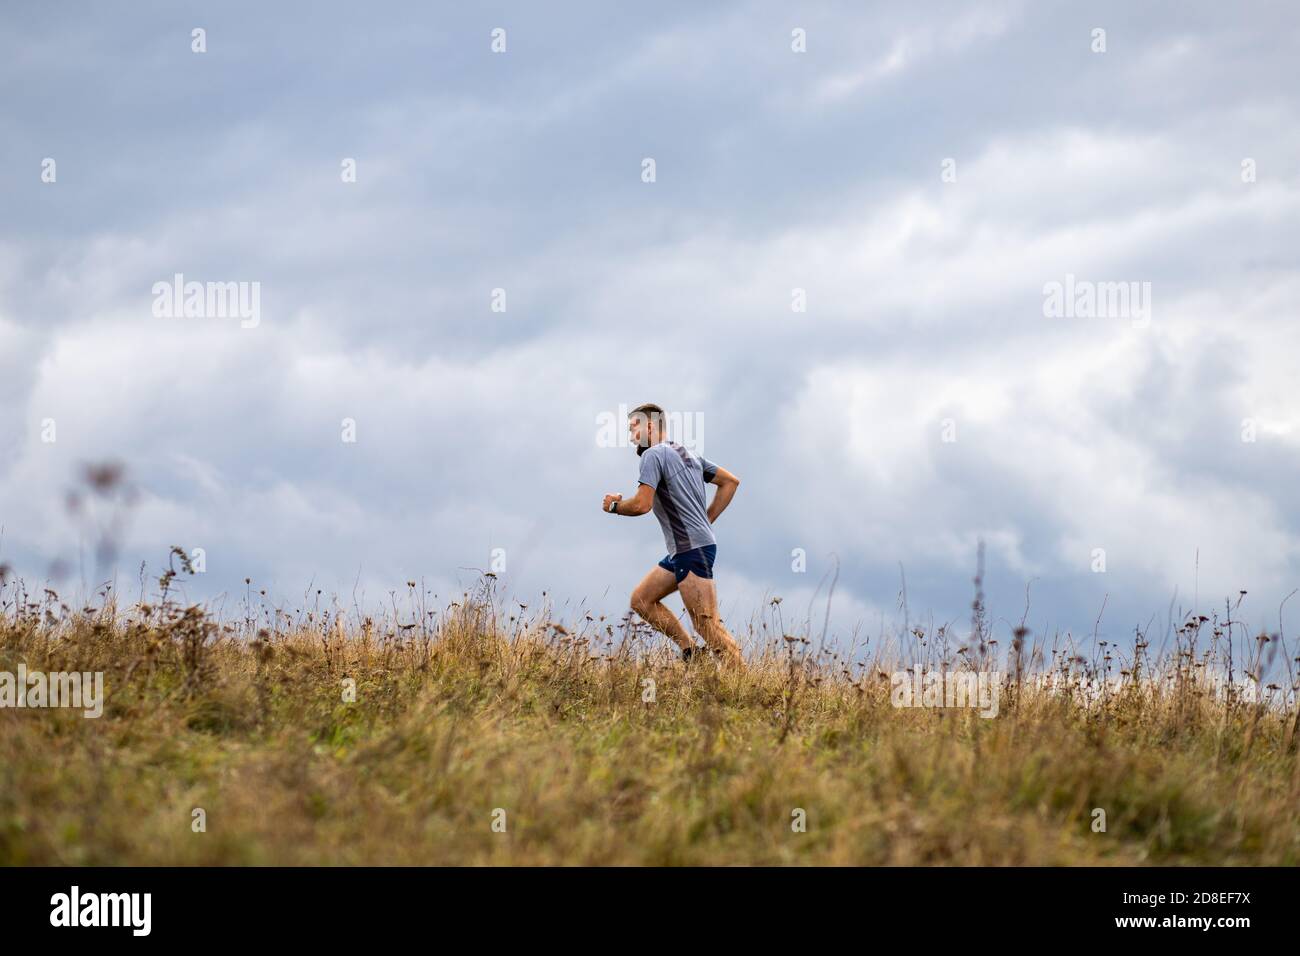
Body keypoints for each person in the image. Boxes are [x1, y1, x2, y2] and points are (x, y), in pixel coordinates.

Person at [602, 403, 743, 666]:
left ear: (650, 426)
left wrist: (613, 506)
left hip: (691, 550)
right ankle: (690, 651)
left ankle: (747, 687)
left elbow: (642, 505)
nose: (630, 435)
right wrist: (706, 520)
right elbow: (730, 482)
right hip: (687, 549)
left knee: (708, 627)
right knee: (642, 600)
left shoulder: (652, 456)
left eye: (634, 427)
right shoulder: (688, 453)